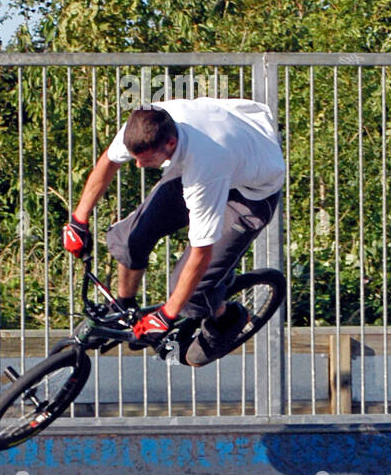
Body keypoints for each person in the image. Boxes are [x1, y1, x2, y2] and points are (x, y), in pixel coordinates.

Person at [62, 97, 285, 366]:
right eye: (135, 158)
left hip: (251, 193)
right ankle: (124, 304)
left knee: (190, 290)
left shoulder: (205, 165)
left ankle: (227, 318)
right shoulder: (146, 125)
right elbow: (108, 163)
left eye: (145, 161)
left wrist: (167, 315)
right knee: (131, 237)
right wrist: (78, 220)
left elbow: (202, 252)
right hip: (229, 149)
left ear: (170, 144)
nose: (139, 166)